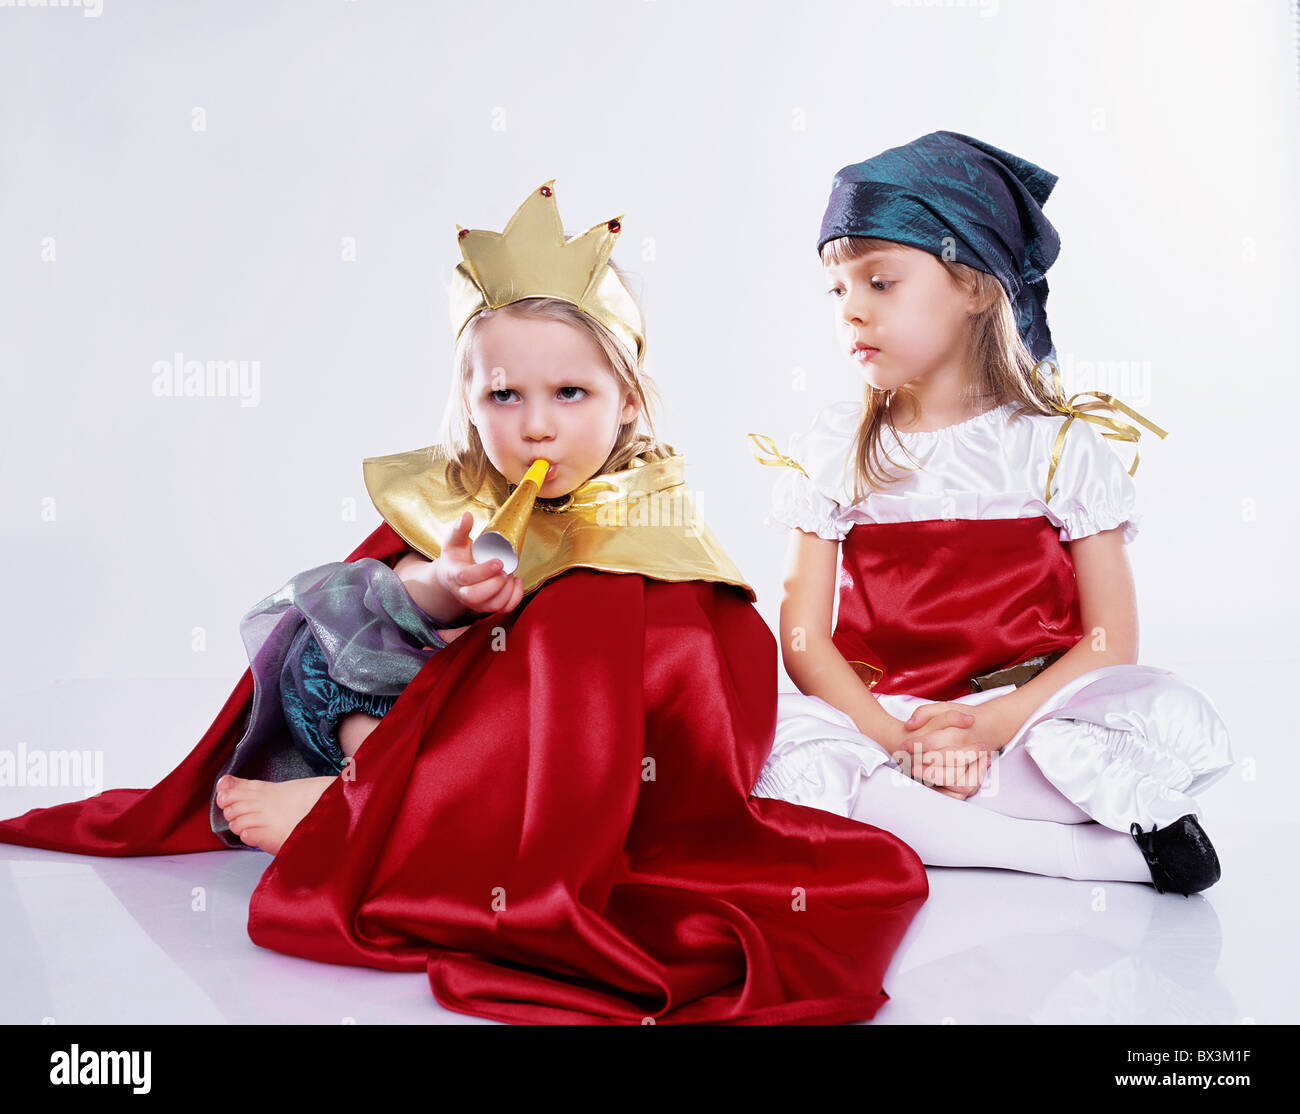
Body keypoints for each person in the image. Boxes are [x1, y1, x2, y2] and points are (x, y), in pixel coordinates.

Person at [0, 181, 928, 1025]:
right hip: (428, 718)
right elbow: (389, 627)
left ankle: (361, 819)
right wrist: (446, 587)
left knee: (563, 647)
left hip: (560, 764)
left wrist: (549, 636)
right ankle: (369, 783)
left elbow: (667, 684)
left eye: (571, 392)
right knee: (353, 608)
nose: (536, 423)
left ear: (630, 400)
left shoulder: (646, 512)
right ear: (468, 399)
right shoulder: (470, 497)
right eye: (504, 394)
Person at [747, 132, 1233, 896]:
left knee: (1099, 736)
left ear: (975, 286)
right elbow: (804, 639)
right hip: (889, 711)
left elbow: (1110, 642)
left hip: (1027, 710)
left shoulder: (1056, 448)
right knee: (784, 754)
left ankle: (958, 814)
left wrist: (988, 727)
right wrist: (896, 740)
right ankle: (1088, 854)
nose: (851, 312)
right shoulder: (837, 448)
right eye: (837, 291)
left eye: (880, 283)